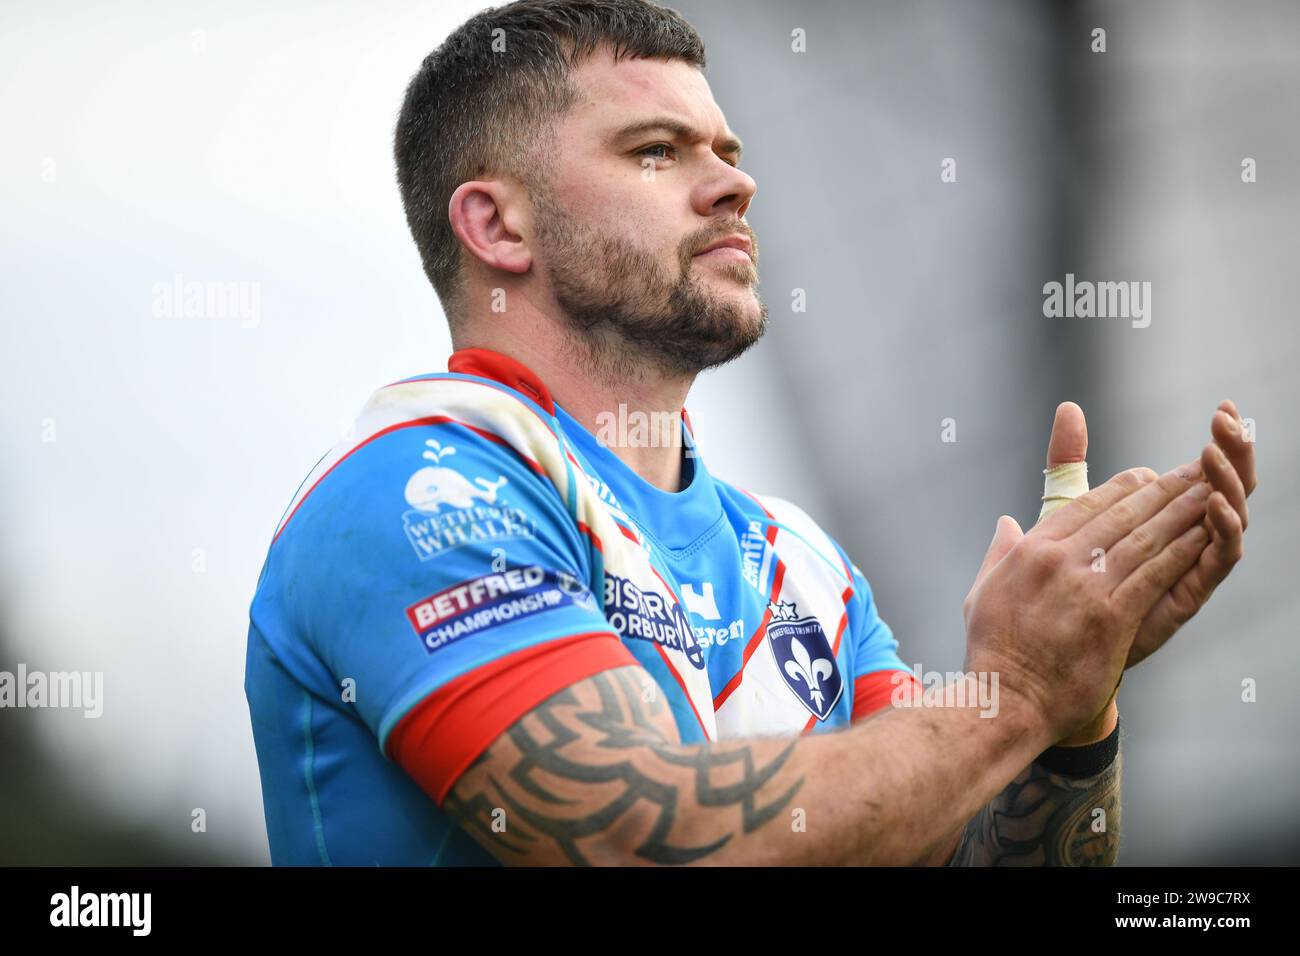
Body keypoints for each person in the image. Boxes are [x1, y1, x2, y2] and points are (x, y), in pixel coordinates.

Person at [244, 0, 1256, 866]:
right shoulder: (414, 490)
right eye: (656, 152)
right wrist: (1018, 690)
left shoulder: (801, 564)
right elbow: (656, 838)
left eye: (728, 152)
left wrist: (1075, 707)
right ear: (497, 227)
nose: (735, 184)